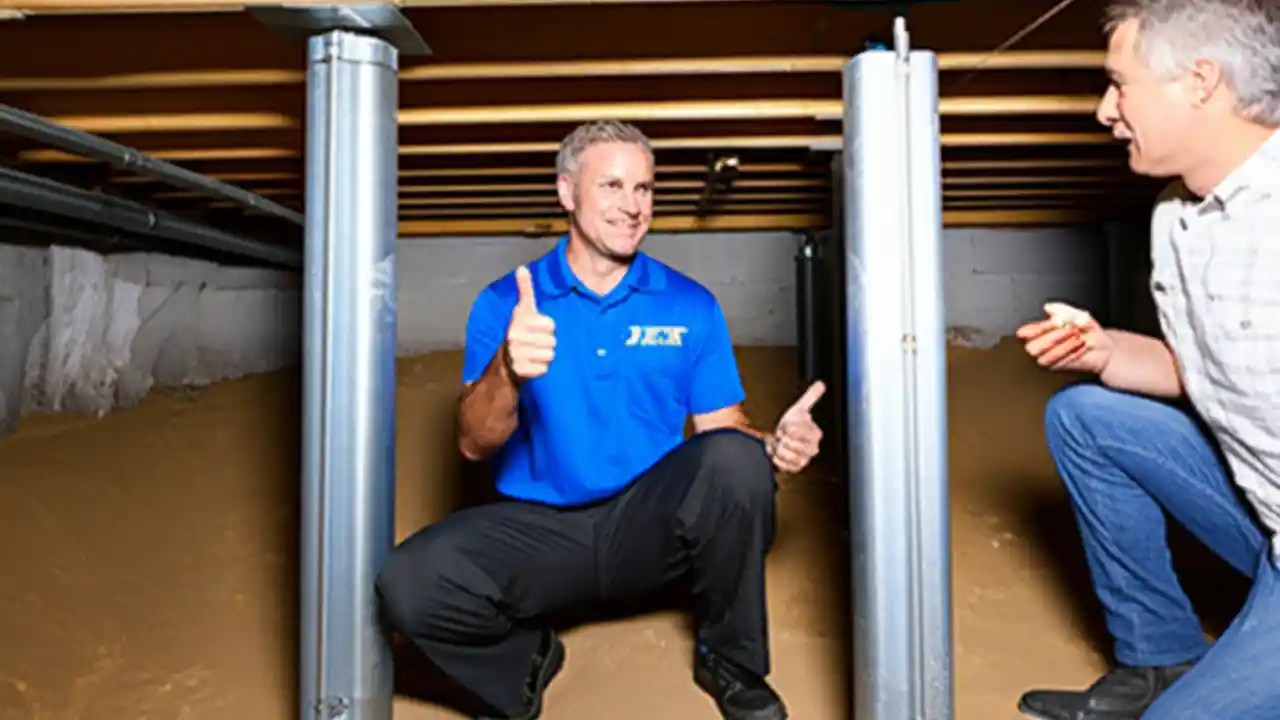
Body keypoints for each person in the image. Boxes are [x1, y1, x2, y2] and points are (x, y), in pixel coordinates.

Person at [375, 120, 824, 720]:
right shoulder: (505, 301)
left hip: (648, 529)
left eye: (645, 188)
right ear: (566, 192)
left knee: (737, 461)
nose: (633, 206)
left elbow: (724, 432)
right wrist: (507, 369)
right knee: (408, 583)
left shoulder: (689, 303)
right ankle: (524, 664)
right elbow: (473, 445)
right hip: (539, 535)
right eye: (613, 185)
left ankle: (729, 661)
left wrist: (774, 448)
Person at [1015, 1, 1280, 718]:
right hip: (1264, 505)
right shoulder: (1177, 215)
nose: (1105, 110)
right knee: (1088, 417)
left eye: (1119, 84)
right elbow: (1203, 372)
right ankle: (1159, 659)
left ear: (1200, 82)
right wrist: (1104, 350)